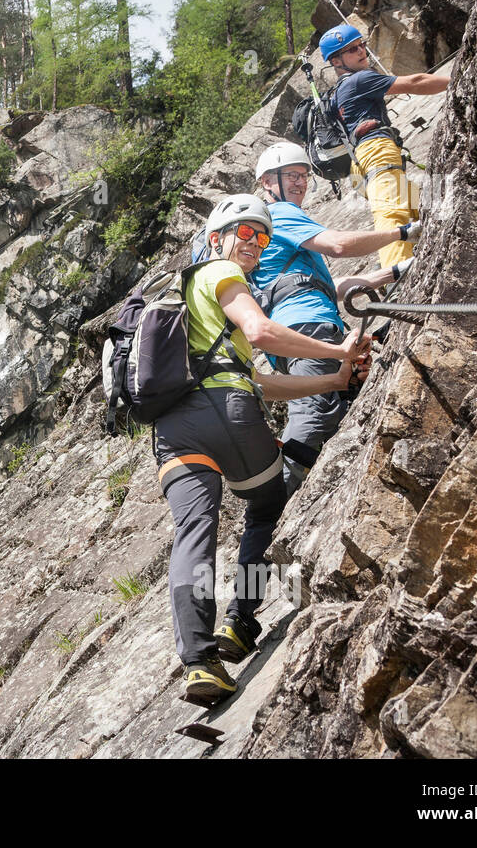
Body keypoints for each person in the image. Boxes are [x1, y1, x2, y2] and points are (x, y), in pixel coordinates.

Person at [153, 194, 371, 703]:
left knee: (192, 535)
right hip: (227, 415)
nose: (254, 245)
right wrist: (339, 350)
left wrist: (334, 378)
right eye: (245, 233)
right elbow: (263, 331)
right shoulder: (219, 275)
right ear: (216, 239)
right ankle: (241, 611)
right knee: (270, 502)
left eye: (264, 237)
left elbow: (264, 383)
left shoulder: (190, 307)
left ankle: (199, 663)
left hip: (172, 434)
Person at [251, 141, 420, 493]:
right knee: (313, 416)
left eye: (304, 175)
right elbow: (340, 245)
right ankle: (272, 507)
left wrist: (393, 273)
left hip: (298, 333)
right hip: (308, 329)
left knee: (325, 412)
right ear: (268, 182)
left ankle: (280, 500)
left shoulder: (270, 234)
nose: (300, 183)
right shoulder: (279, 215)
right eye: (292, 175)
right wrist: (401, 233)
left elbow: (329, 286)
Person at [319, 24, 449, 268]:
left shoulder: (336, 93)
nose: (361, 52)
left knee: (422, 208)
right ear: (336, 61)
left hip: (359, 164)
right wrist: (457, 80)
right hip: (376, 150)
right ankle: (395, 280)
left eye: (362, 45)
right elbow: (415, 81)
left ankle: (429, 255)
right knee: (393, 215)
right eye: (352, 50)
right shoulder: (359, 80)